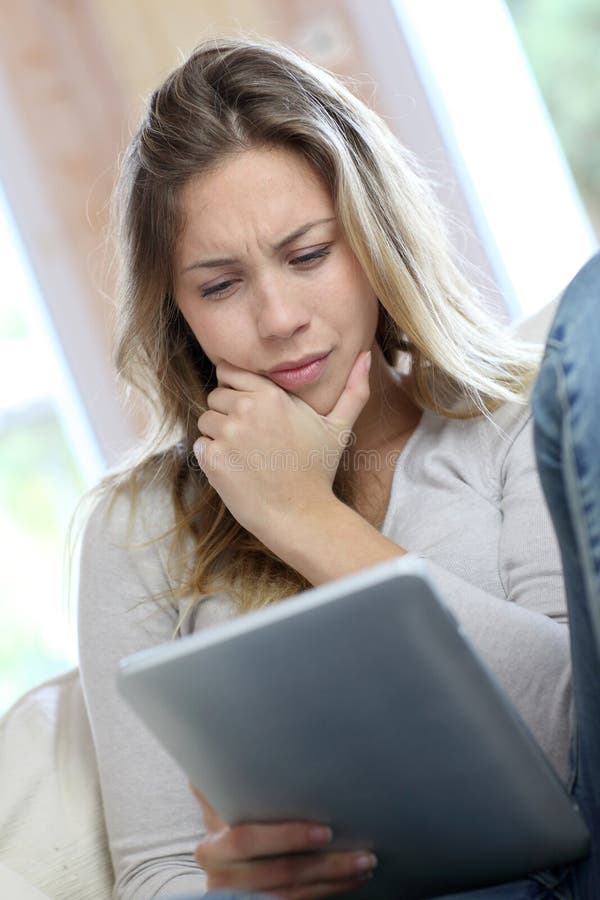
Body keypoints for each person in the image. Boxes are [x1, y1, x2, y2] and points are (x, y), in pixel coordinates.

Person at [76, 35, 598, 900]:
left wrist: (302, 516)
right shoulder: (138, 525)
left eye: (309, 255)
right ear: (177, 314)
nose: (279, 318)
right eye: (219, 285)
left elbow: (583, 745)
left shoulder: (516, 419)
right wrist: (243, 891)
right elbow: (158, 873)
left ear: (373, 237)